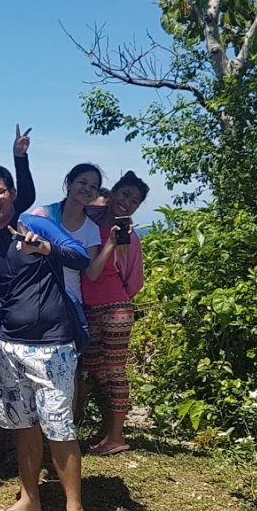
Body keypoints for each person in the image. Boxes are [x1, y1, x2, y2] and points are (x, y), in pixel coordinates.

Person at [0, 165, 98, 511]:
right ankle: (29, 498)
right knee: (23, 426)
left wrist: (43, 247)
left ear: (12, 193)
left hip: (53, 345)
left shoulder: (38, 223)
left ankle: (75, 509)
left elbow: (79, 257)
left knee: (59, 427)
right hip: (9, 346)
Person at [78, 171, 149, 456]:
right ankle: (108, 429)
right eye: (125, 194)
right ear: (113, 192)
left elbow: (134, 279)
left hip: (116, 308)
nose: (127, 203)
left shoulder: (128, 238)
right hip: (90, 308)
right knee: (97, 370)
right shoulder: (90, 218)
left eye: (135, 201)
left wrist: (121, 302)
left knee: (116, 372)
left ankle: (117, 436)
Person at [28, 163, 106, 299]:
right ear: (69, 183)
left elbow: (91, 273)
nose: (87, 189)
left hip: (71, 299)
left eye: (93, 187)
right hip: (41, 297)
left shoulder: (91, 229)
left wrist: (111, 243)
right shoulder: (43, 215)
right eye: (82, 182)